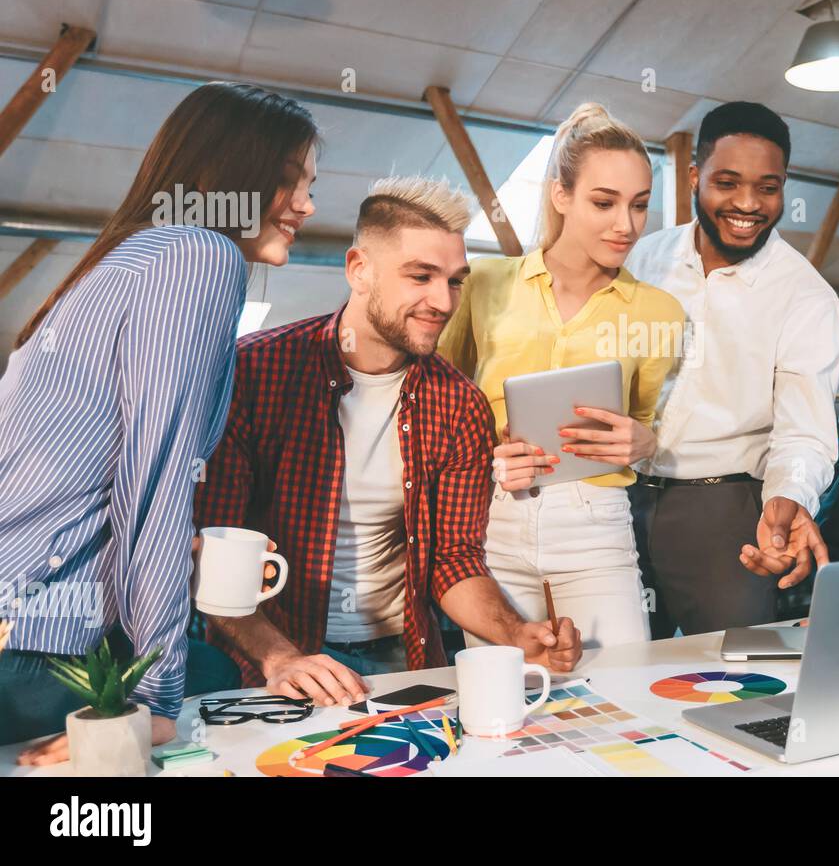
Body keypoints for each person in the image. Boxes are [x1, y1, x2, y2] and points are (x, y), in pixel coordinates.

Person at [0, 82, 320, 761]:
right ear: (231, 173)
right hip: (30, 643)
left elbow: (77, 477)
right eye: (289, 181)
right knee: (216, 687)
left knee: (212, 667)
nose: (306, 206)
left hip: (22, 619)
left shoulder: (119, 261)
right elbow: (154, 480)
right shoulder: (201, 256)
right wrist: (150, 701)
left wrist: (192, 550)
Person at [193, 177, 581, 704]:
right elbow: (216, 549)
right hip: (273, 655)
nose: (442, 301)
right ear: (359, 270)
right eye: (420, 276)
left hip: (403, 657)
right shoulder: (254, 372)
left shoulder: (460, 404)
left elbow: (454, 558)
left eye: (455, 281)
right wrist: (279, 658)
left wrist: (516, 634)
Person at [440, 104, 685, 650]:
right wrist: (487, 453)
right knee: (506, 697)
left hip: (596, 523)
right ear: (561, 196)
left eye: (639, 206)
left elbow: (640, 424)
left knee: (622, 695)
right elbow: (441, 403)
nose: (626, 225)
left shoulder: (660, 312)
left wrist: (646, 443)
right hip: (493, 517)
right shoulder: (482, 283)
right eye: (604, 202)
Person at [625, 101, 839, 638]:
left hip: (726, 511)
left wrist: (787, 501)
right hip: (617, 497)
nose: (748, 204)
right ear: (695, 177)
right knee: (609, 673)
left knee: (731, 684)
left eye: (768, 188)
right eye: (728, 182)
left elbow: (806, 432)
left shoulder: (806, 295)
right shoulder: (640, 261)